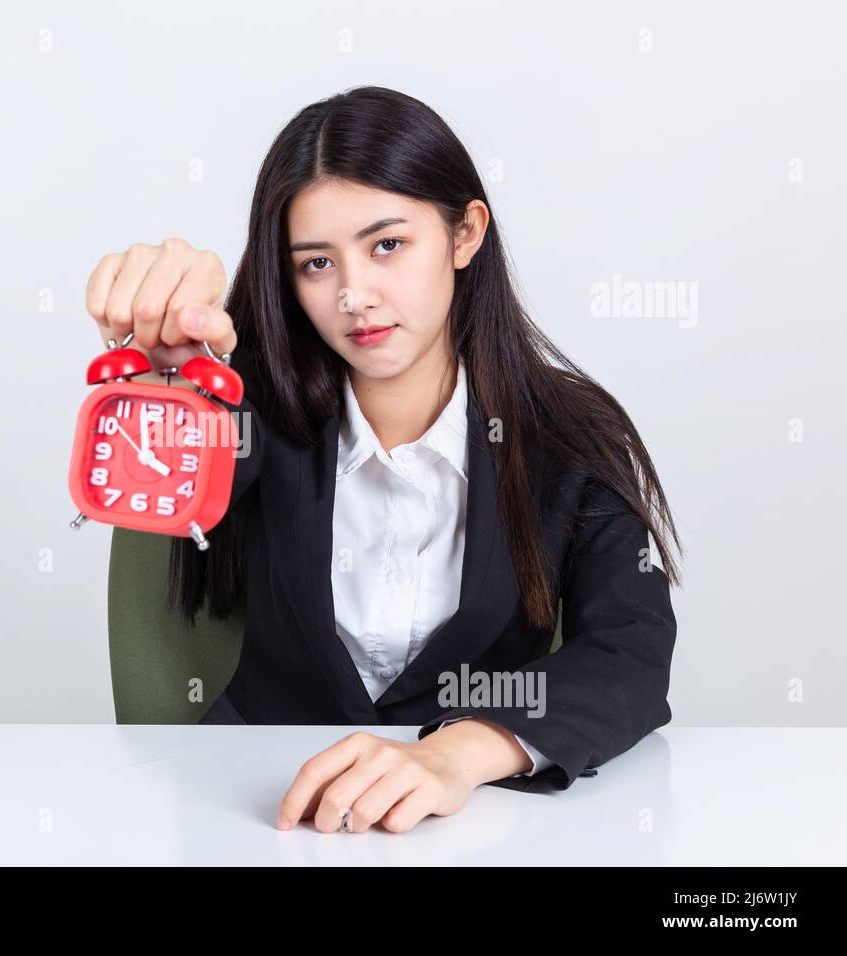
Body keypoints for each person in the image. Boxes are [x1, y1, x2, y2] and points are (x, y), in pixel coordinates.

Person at [84, 86, 681, 834]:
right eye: (314, 263)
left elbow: (631, 652)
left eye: (387, 245)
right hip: (252, 816)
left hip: (480, 825)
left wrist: (457, 755)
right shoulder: (250, 413)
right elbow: (159, 470)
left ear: (465, 235)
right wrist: (173, 361)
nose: (354, 295)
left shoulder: (569, 434)